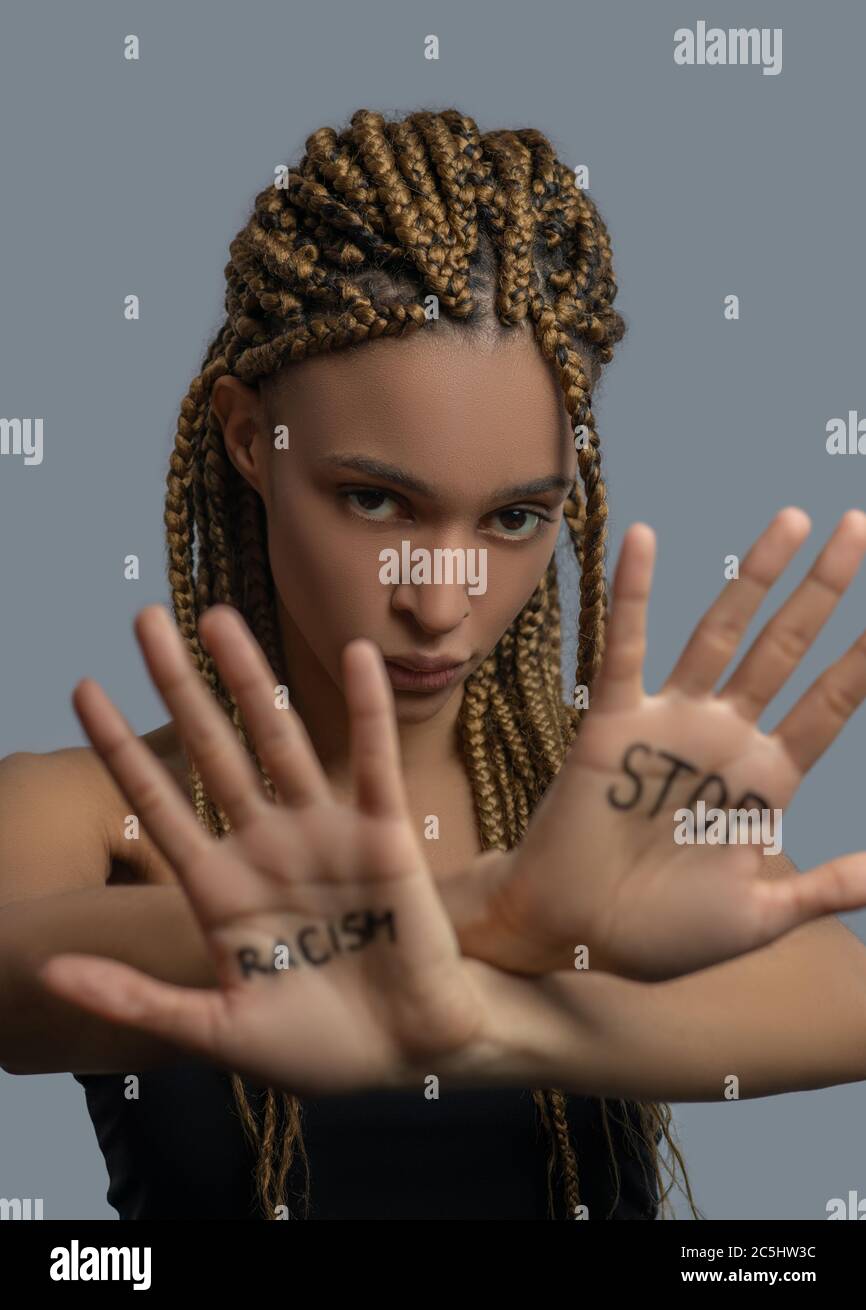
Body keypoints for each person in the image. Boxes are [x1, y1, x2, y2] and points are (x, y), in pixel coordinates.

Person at [4, 107, 866, 1223]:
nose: (441, 601)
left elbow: (840, 993)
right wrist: (463, 921)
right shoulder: (82, 817)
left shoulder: (592, 808)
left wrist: (485, 1008)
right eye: (374, 499)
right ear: (242, 437)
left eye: (513, 518)